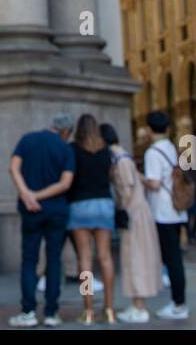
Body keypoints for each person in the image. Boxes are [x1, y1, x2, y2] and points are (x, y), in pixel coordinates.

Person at [8, 114, 75, 328]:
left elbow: (13, 168)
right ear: (66, 131)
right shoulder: (66, 149)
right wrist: (38, 196)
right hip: (56, 210)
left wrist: (27, 194)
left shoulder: (28, 140)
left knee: (29, 260)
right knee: (53, 260)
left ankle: (28, 311)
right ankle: (51, 312)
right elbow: (65, 183)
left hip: (31, 211)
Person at [102, 123, 160, 324]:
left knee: (136, 257)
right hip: (137, 211)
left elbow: (127, 188)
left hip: (134, 213)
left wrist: (121, 210)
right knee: (133, 257)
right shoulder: (122, 157)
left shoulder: (120, 159)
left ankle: (140, 307)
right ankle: (136, 303)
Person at [67, 114, 117, 325]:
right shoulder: (107, 150)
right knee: (105, 257)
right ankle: (109, 309)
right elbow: (111, 176)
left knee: (85, 260)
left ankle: (88, 310)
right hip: (104, 205)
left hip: (80, 206)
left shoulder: (73, 149)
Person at [143, 110, 189, 320]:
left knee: (172, 259)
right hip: (177, 208)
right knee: (174, 258)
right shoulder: (172, 148)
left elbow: (154, 183)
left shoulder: (153, 152)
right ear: (168, 128)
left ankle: (179, 304)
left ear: (149, 129)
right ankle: (178, 302)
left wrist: (139, 177)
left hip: (162, 210)